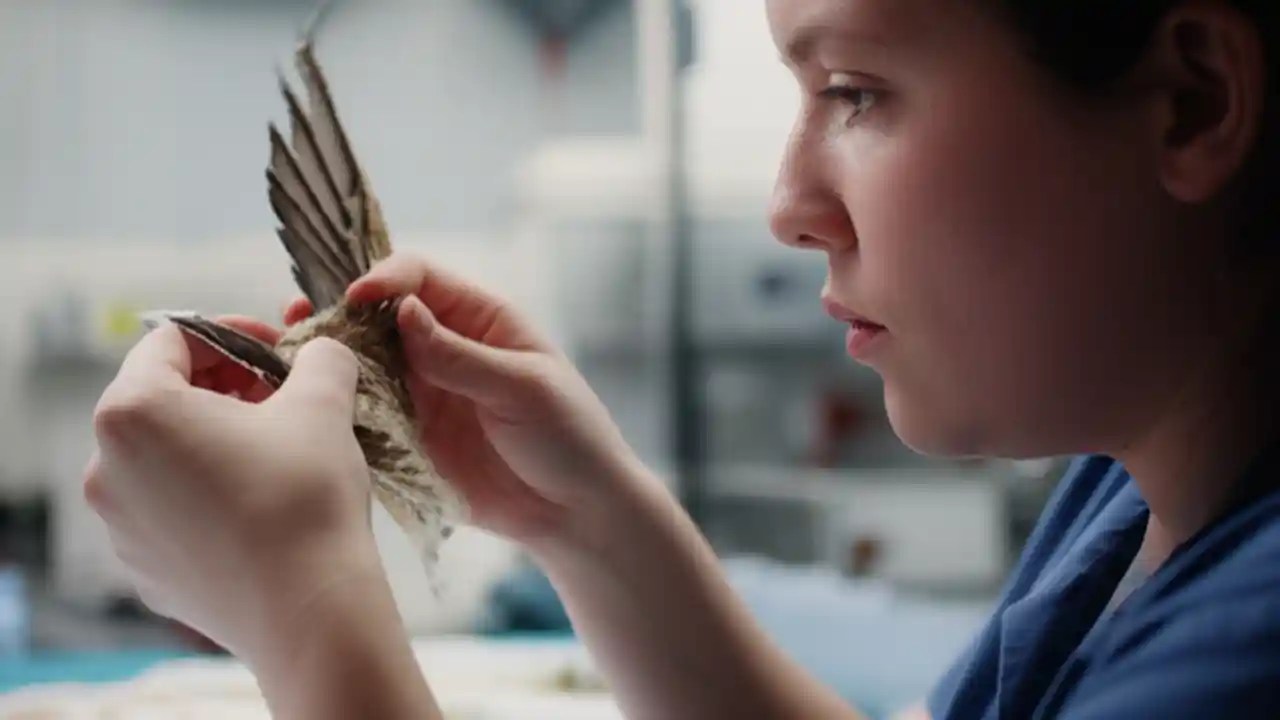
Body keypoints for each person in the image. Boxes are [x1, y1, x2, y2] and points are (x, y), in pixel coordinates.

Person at [84, 0, 1280, 717]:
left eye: (855, 92)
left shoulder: (1245, 649)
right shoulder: (1136, 493)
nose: (788, 203)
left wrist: (308, 618)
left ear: (1188, 100)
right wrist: (588, 521)